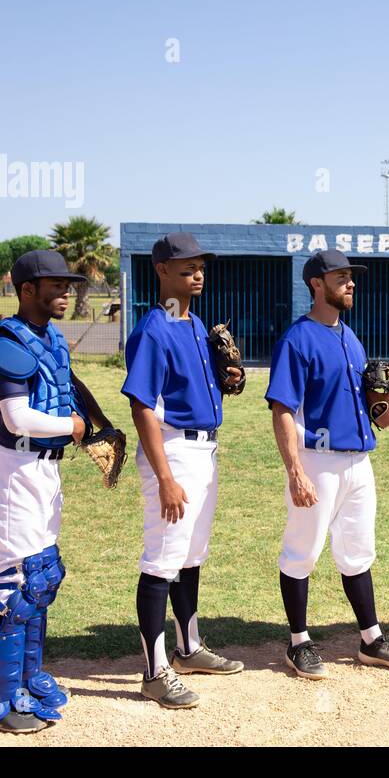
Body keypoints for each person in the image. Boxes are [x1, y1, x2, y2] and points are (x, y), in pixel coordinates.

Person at [266, 249, 389, 679]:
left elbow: (380, 414)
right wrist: (295, 471)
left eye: (351, 277)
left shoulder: (350, 336)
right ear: (316, 284)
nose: (350, 283)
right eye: (340, 277)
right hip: (317, 460)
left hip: (358, 461)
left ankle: (371, 639)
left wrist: (385, 404)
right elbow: (281, 409)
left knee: (358, 551)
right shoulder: (297, 340)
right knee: (302, 552)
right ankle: (298, 642)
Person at [0, 250, 94, 733]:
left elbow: (65, 396)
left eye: (68, 283)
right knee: (16, 584)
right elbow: (17, 417)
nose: (66, 291)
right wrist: (74, 427)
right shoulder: (8, 341)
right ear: (27, 289)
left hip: (43, 469)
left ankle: (25, 676)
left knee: (42, 578)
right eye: (56, 284)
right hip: (14, 469)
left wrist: (93, 428)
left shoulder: (52, 338)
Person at [123, 232, 245, 709]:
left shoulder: (192, 324)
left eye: (200, 265)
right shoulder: (153, 329)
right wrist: (166, 478)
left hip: (203, 451)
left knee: (191, 556)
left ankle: (188, 647)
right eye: (185, 266)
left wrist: (224, 379)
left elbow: (190, 385)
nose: (196, 273)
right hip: (171, 453)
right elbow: (143, 408)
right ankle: (155, 673)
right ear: (161, 271)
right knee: (162, 560)